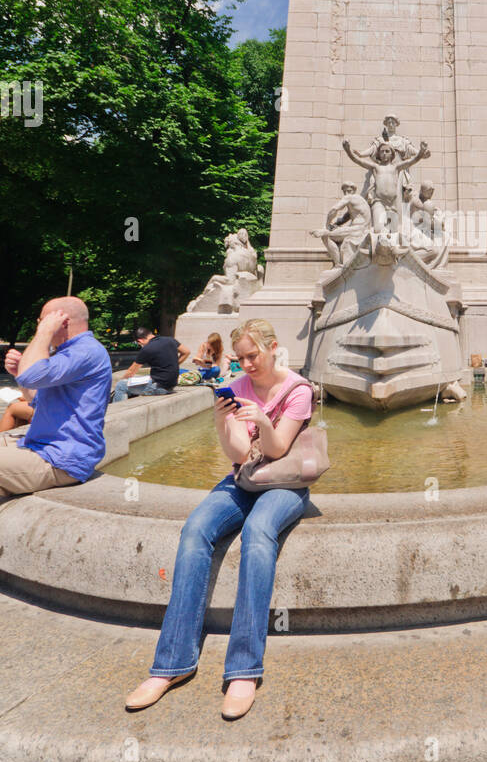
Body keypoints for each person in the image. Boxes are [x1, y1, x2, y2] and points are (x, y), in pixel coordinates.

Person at [125, 319, 313, 721]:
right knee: (195, 530)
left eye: (253, 356)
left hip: (285, 484)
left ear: (272, 347)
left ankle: (244, 669)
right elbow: (241, 454)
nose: (246, 365)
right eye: (241, 358)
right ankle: (172, 664)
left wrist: (263, 420)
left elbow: (278, 450)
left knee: (259, 534)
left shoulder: (298, 389)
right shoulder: (237, 386)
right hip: (244, 477)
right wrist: (222, 419)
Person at [0, 297, 112, 496]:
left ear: (63, 322)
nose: (38, 324)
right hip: (41, 446)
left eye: (42, 320)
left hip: (60, 458)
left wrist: (44, 332)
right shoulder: (69, 353)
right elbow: (35, 399)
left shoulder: (85, 351)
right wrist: (19, 374)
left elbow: (31, 375)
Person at [112, 326, 190, 401]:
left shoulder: (147, 349)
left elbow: (131, 372)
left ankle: (117, 411)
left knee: (121, 386)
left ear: (140, 341)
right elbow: (186, 352)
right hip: (171, 385)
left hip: (158, 387)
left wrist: (122, 381)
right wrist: (174, 364)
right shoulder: (171, 340)